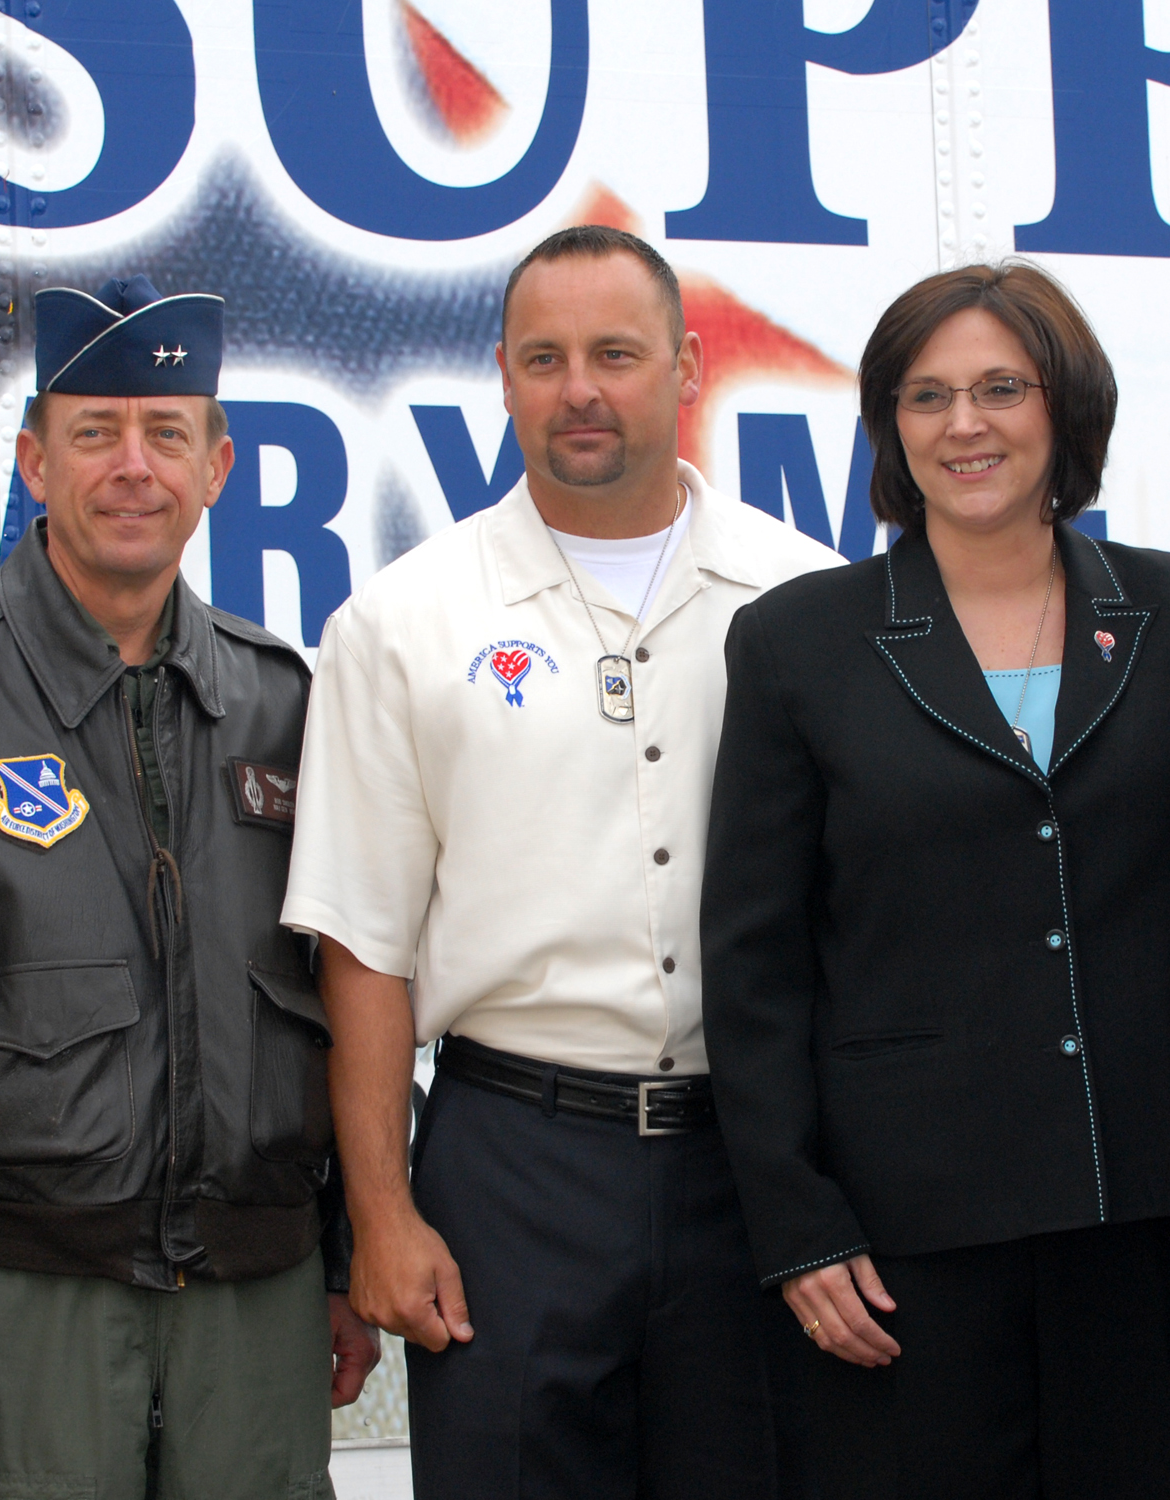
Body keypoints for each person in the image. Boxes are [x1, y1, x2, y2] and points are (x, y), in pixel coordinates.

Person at [0, 274, 378, 1498]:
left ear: (219, 467)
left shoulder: (286, 706)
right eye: (94, 433)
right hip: (13, 1306)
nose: (132, 467)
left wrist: (345, 1261)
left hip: (252, 1310)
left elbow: (348, 1000)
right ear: (36, 464)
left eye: (165, 434)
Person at [280, 225, 839, 1498]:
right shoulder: (402, 622)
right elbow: (361, 945)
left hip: (748, 1161)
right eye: (544, 357)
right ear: (505, 375)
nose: (578, 386)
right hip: (510, 1168)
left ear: (689, 369)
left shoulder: (802, 600)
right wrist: (381, 1212)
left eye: (614, 353)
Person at [700, 261, 1170, 1497]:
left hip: (1151, 1223)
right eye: (926, 395)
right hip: (907, 1247)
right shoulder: (800, 642)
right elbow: (756, 964)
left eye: (1003, 387)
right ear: (890, 426)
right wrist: (797, 1227)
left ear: (1067, 408)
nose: (966, 424)